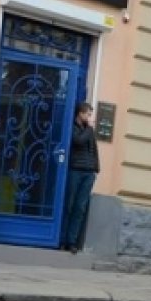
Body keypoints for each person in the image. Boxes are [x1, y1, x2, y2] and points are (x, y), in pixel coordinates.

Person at [62, 102, 100, 253]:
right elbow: (78, 141)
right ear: (80, 114)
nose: (90, 117)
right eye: (88, 114)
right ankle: (63, 238)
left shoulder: (88, 130)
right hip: (75, 170)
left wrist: (96, 168)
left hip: (88, 172)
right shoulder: (74, 127)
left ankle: (72, 241)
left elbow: (94, 149)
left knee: (80, 207)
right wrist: (90, 128)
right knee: (70, 205)